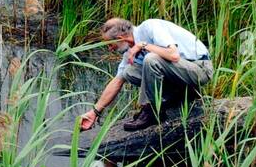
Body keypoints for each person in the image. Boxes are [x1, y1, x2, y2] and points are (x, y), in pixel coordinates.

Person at [79, 16, 213, 133]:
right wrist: (95, 112)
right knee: (129, 72)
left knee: (151, 59)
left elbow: (173, 55)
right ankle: (182, 95)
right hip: (179, 76)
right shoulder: (129, 53)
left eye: (109, 44)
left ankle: (150, 111)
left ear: (120, 38)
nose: (109, 49)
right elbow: (117, 82)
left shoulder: (150, 27)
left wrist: (143, 45)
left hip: (199, 69)